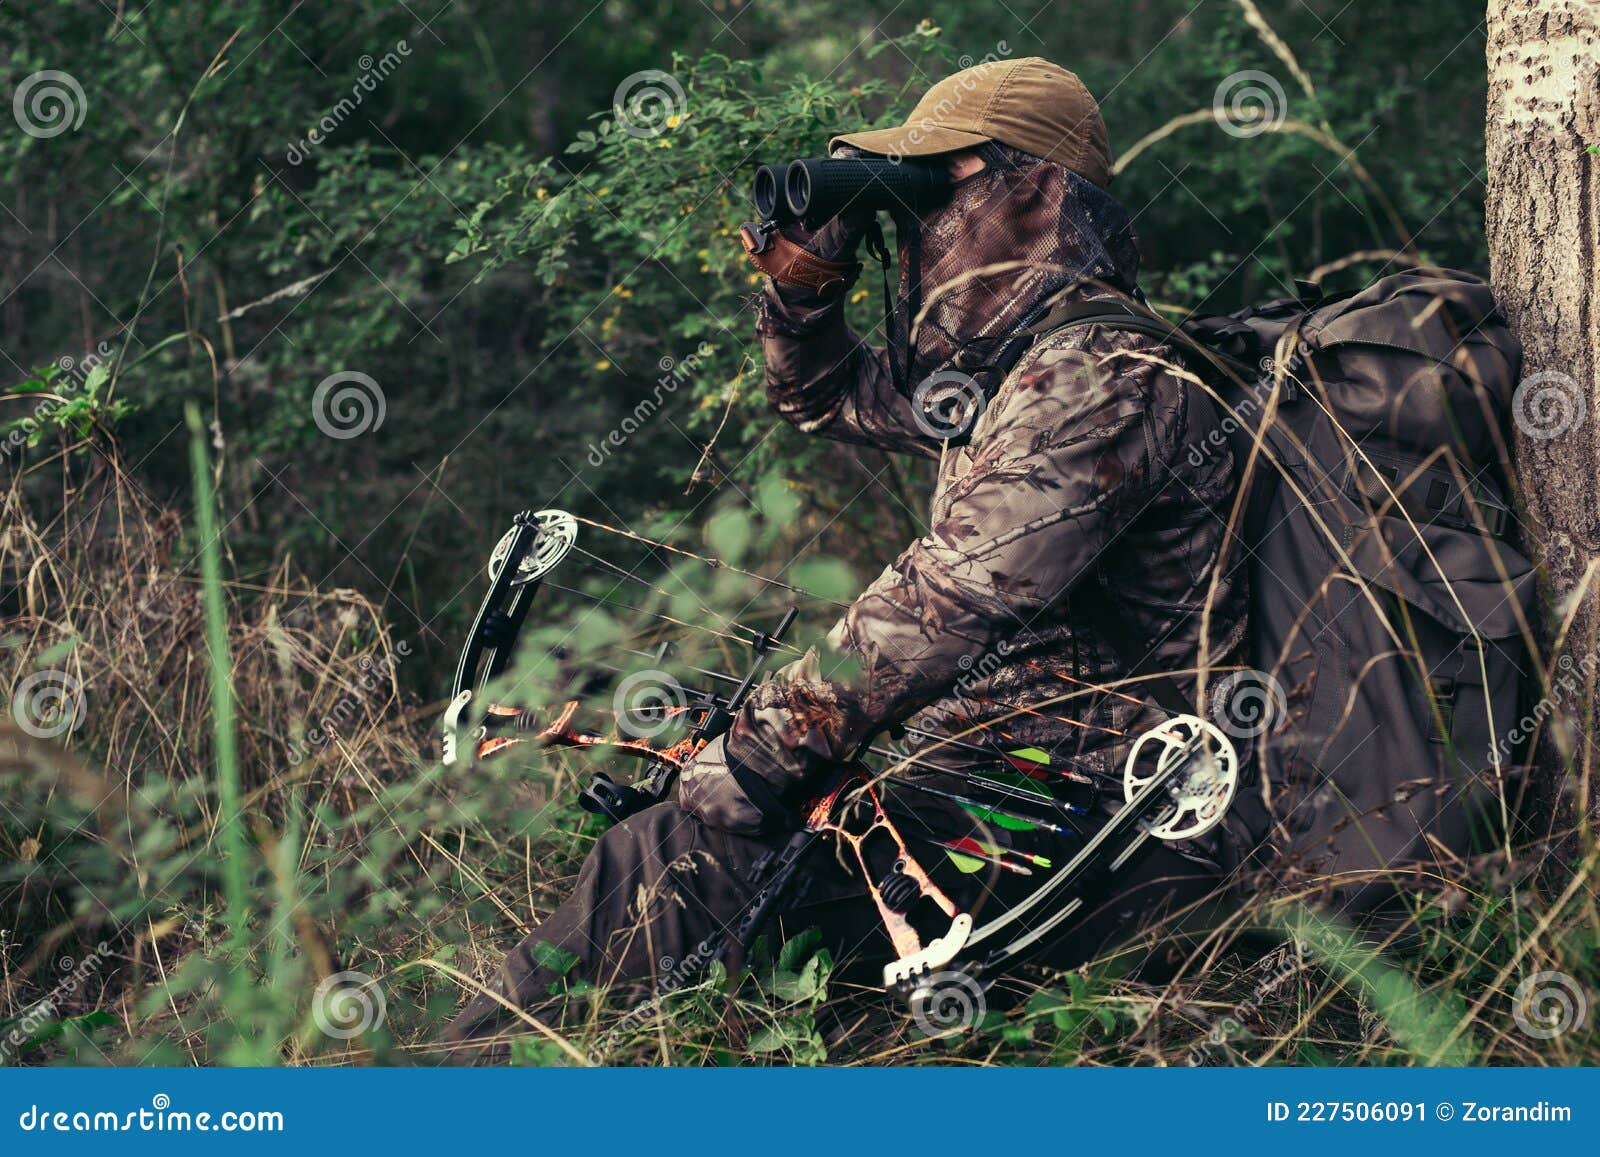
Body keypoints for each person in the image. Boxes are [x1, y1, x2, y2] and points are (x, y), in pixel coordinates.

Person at [445, 56, 1248, 1058]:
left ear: (1028, 196)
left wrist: (761, 750)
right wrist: (803, 287)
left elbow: (955, 593)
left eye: (931, 189)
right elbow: (819, 398)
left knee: (669, 856)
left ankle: (443, 1084)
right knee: (674, 812)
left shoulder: (1101, 376)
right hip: (995, 776)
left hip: (1082, 812)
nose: (913, 229)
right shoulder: (1014, 377)